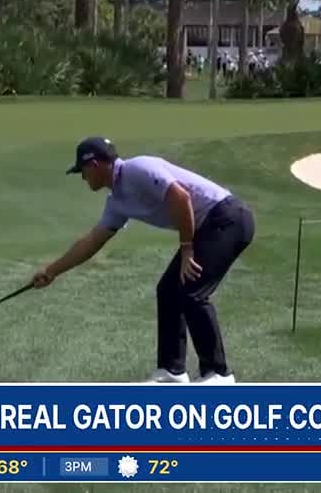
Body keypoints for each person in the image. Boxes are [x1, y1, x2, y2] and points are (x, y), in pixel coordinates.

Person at [30, 137, 255, 384]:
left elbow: (181, 198)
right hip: (208, 227)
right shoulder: (117, 202)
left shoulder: (138, 168)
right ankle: (172, 372)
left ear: (93, 164)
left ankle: (219, 374)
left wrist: (187, 249)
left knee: (192, 291)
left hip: (228, 218)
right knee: (168, 290)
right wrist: (52, 271)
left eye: (82, 171)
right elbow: (92, 241)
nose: (83, 178)